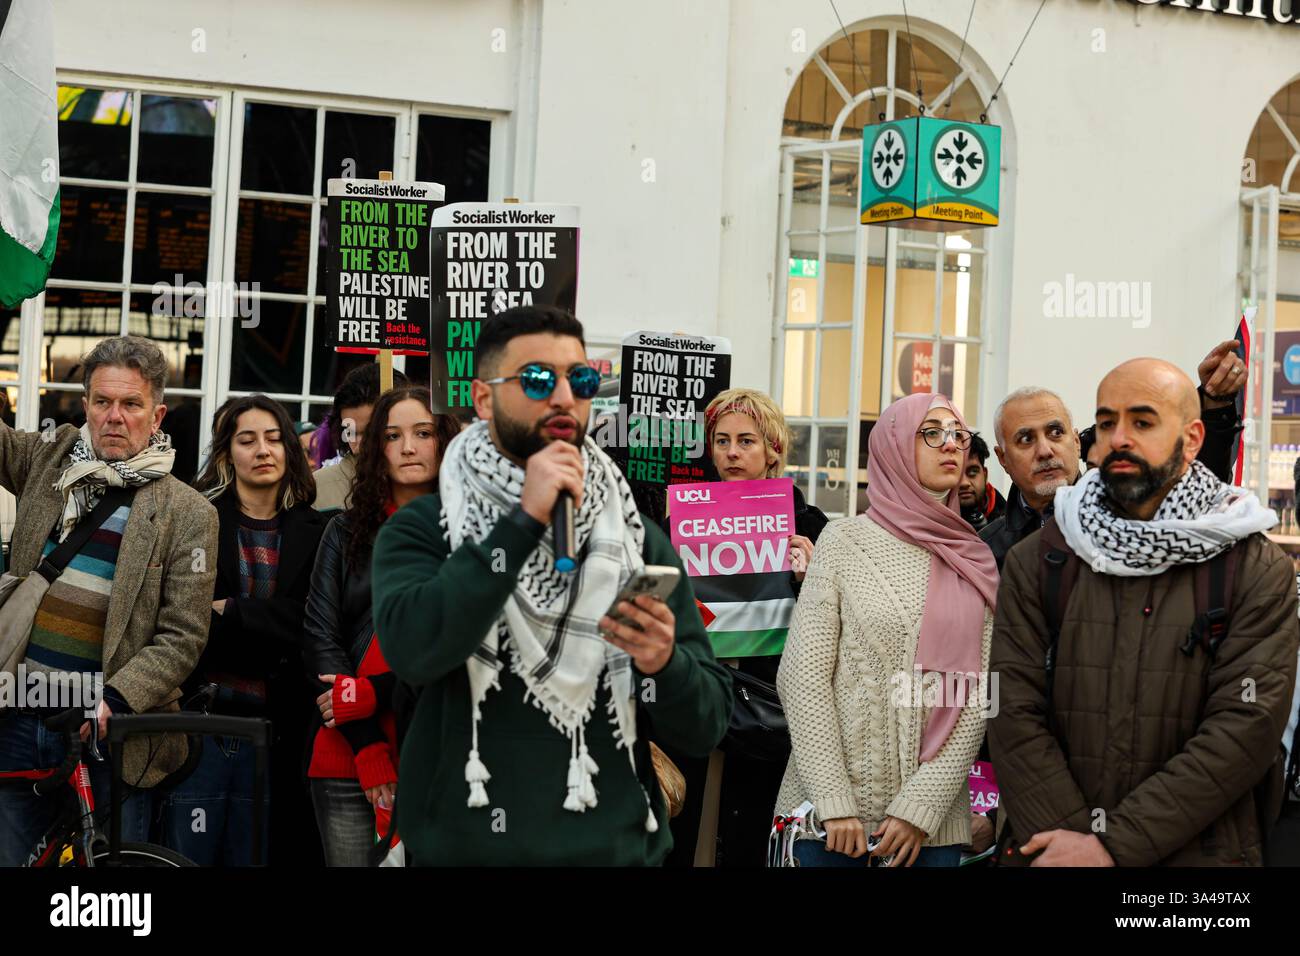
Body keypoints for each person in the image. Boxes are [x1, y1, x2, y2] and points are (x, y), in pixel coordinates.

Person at [371, 305, 732, 865]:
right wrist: (523, 520)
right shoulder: (424, 529)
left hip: (612, 850)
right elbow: (416, 651)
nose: (564, 396)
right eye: (538, 379)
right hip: (465, 849)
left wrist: (665, 663)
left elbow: (705, 724)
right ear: (484, 397)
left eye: (580, 379)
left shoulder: (634, 537)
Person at [988, 358, 1298, 866]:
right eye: (1107, 422)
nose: (1119, 438)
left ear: (1193, 438)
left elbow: (1245, 729)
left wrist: (1112, 847)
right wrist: (1071, 846)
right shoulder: (1041, 559)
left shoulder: (1253, 567)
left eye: (1143, 421)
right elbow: (1010, 711)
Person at [0, 335, 218, 866]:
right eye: (102, 402)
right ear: (86, 405)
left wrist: (115, 700)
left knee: (107, 883)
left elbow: (182, 635)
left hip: (106, 730)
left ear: (157, 413)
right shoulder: (48, 460)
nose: (114, 416)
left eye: (130, 404)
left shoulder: (188, 512)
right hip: (19, 718)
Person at [776, 392, 998, 867]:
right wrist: (834, 802)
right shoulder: (843, 539)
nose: (951, 445)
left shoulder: (974, 557)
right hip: (829, 827)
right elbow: (802, 677)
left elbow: (980, 694)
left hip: (929, 833)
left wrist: (921, 808)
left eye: (958, 434)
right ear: (895, 444)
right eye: (932, 433)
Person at [662, 387, 827, 867]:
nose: (732, 452)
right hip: (697, 693)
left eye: (747, 441)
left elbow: (830, 627)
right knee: (691, 827)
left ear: (773, 448)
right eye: (722, 441)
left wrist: (807, 579)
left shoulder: (808, 523)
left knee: (745, 834)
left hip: (764, 705)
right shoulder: (683, 513)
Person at [163, 395, 327, 866]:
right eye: (247, 440)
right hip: (202, 729)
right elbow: (188, 620)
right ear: (225, 454)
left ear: (290, 451)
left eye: (274, 439)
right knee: (187, 857)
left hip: (281, 735)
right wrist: (276, 621)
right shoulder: (198, 522)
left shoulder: (318, 531)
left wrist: (234, 611)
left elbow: (313, 624)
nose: (263, 450)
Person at [303, 385, 459, 866]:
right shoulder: (344, 530)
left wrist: (373, 693)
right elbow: (319, 639)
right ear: (377, 450)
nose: (408, 447)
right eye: (392, 435)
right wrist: (367, 746)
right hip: (346, 752)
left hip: (442, 752)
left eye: (423, 432)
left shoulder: (473, 535)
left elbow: (466, 650)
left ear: (446, 441)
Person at [981, 341, 1246, 571]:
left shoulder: (1133, 513)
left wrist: (1214, 404)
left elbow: (1196, 491)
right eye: (1026, 439)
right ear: (1002, 459)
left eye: (1055, 432)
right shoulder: (985, 551)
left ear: (1075, 442)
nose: (1045, 450)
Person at [312, 365, 409, 513]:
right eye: (350, 432)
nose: (359, 446)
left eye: (370, 432)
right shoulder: (318, 489)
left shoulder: (434, 479)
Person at [959, 432, 1006, 533]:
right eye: (956, 474)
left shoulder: (1011, 521)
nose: (964, 483)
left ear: (984, 475)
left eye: (972, 472)